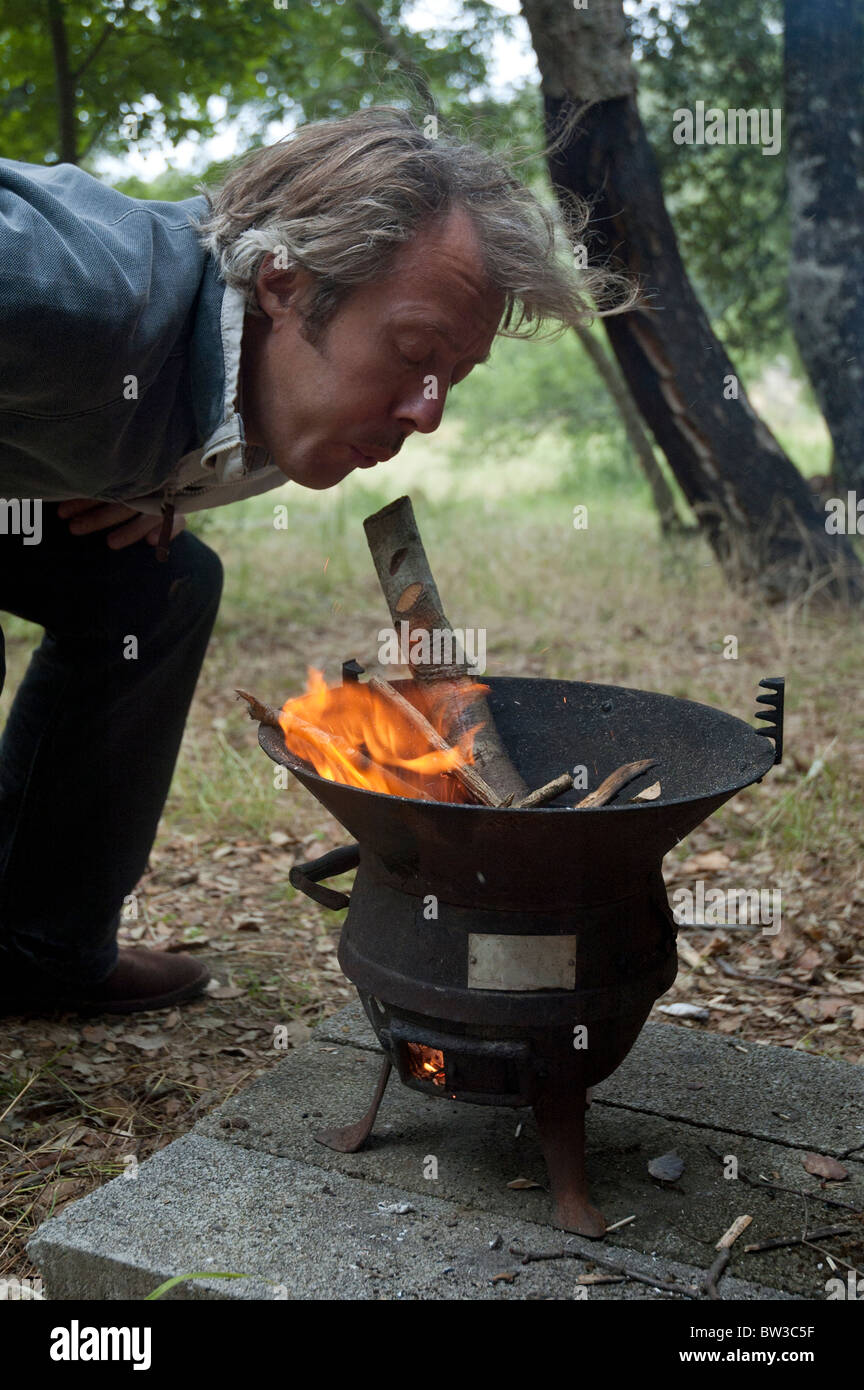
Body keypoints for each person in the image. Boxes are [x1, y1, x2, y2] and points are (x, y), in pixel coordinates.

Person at [0, 106, 602, 1015]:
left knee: (160, 587)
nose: (428, 413)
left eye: (454, 376)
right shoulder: (71, 295)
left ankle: (42, 948)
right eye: (411, 353)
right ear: (281, 282)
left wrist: (127, 476)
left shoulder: (280, 390)